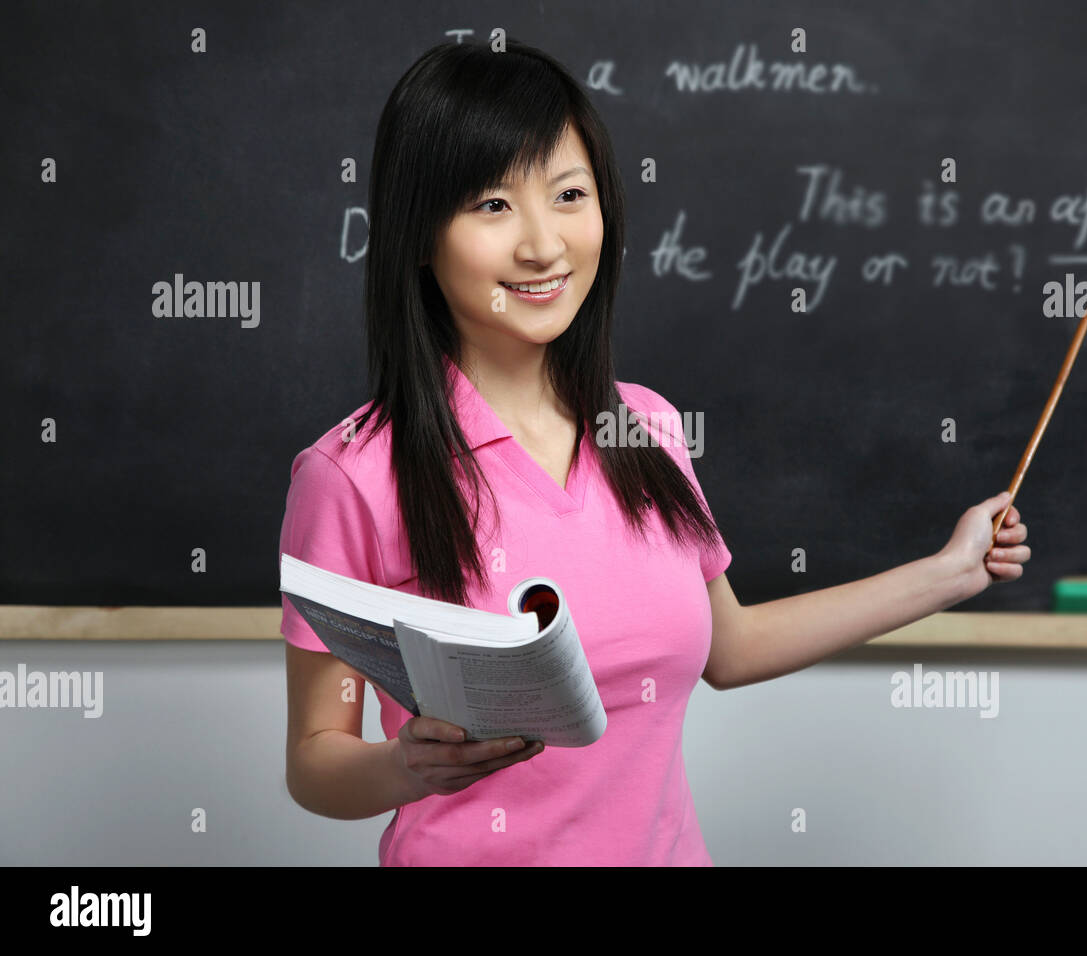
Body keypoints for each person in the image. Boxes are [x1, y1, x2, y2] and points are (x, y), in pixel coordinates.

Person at [279, 38, 1030, 867]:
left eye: (569, 194)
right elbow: (315, 760)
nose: (543, 245)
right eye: (492, 205)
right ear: (420, 234)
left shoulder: (646, 428)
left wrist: (953, 571)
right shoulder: (352, 474)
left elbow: (731, 648)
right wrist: (405, 766)